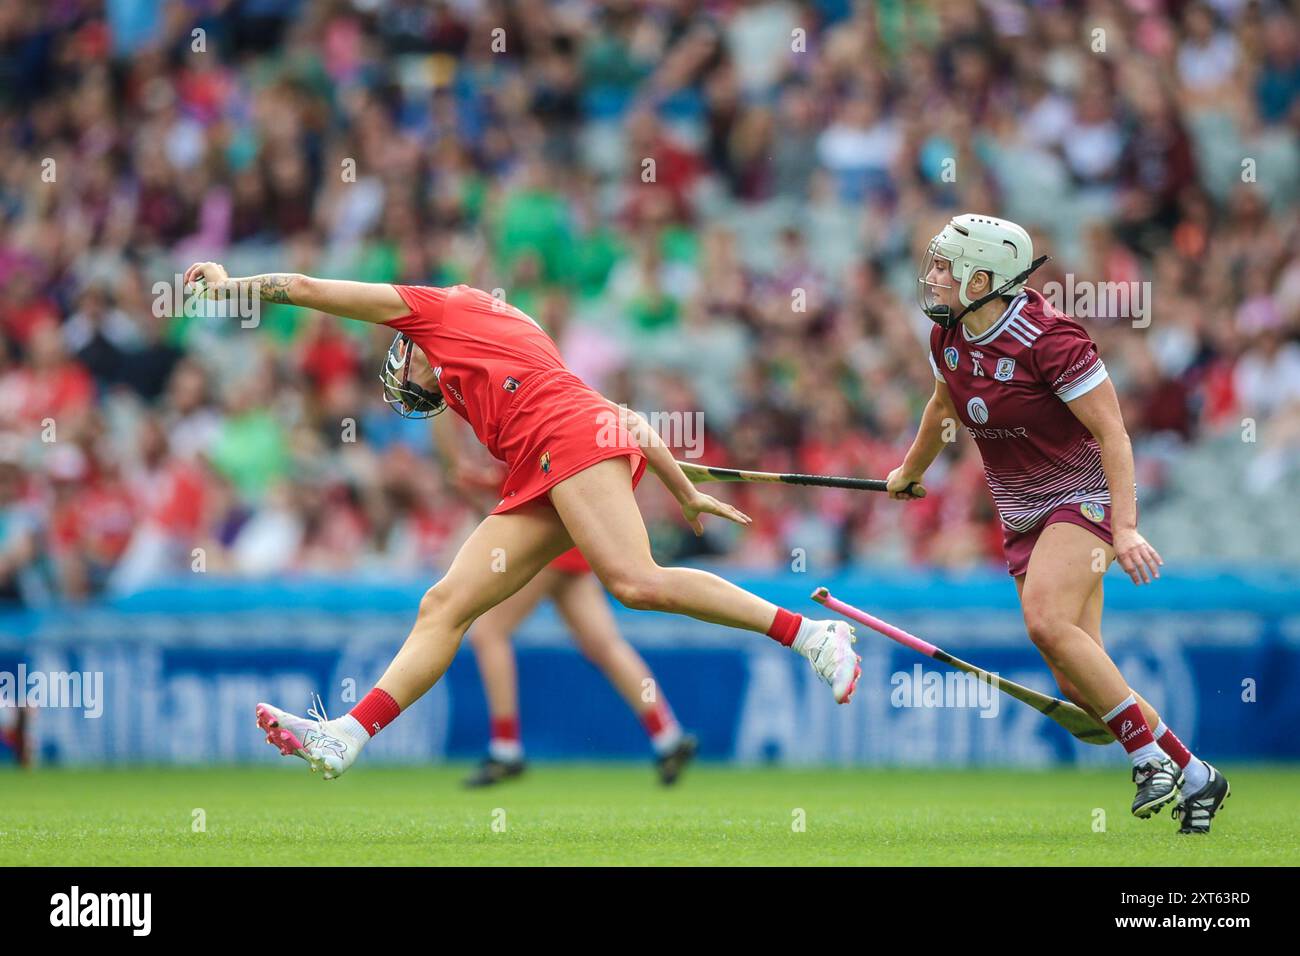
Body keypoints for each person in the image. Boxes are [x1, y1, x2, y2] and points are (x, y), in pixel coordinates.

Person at [178, 264, 861, 782]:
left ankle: (811, 633)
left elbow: (304, 287)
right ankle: (346, 737)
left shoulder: (431, 311)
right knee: (446, 602)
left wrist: (232, 285)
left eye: (408, 363)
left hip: (568, 444)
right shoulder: (504, 343)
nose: (414, 375)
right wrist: (682, 489)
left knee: (635, 582)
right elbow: (621, 415)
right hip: (548, 462)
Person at [885, 214, 1229, 834]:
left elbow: (1113, 434)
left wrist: (1125, 529)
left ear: (982, 277)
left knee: (1044, 620)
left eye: (944, 267)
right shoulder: (947, 338)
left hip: (1082, 499)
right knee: (1080, 683)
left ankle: (1146, 757)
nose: (931, 277)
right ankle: (1197, 773)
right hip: (1020, 516)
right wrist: (909, 472)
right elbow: (944, 410)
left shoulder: (1052, 339)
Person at [432, 411, 697, 787]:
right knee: (603, 644)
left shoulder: (520, 397)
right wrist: (486, 482)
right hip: (572, 535)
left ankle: (505, 748)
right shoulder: (552, 397)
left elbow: (536, 476)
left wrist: (475, 477)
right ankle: (667, 734)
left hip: (548, 536)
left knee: (489, 632)